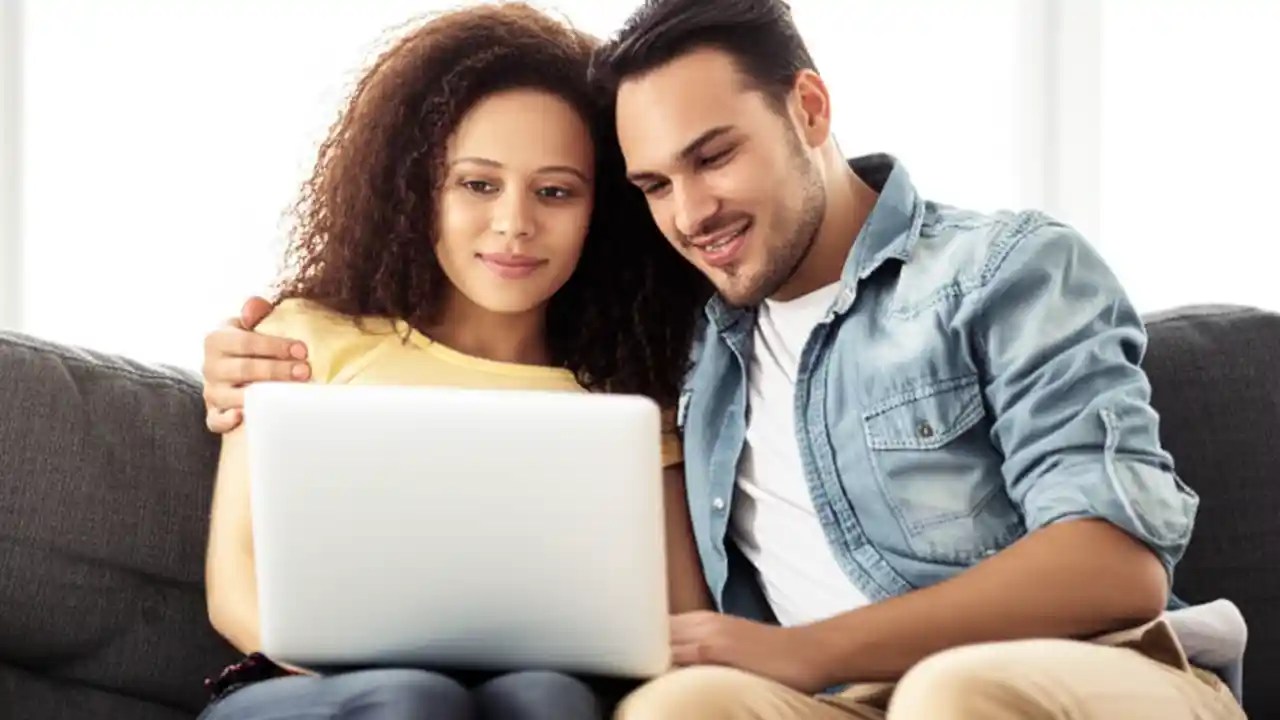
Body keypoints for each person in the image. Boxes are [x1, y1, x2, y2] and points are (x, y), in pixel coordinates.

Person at [204, 1, 1248, 719]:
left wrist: (805, 653)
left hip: (1075, 676)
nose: (690, 213)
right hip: (820, 703)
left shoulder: (1004, 270)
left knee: (949, 694)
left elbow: (1114, 561)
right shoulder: (682, 341)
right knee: (675, 706)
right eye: (653, 185)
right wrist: (237, 365)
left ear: (808, 109)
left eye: (713, 156)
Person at [196, 4, 709, 719]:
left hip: (541, 691)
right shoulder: (303, 339)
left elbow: (678, 621)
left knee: (550, 698)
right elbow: (235, 586)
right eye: (477, 183)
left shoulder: (625, 404)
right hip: (304, 690)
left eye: (555, 191)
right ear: (417, 189)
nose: (514, 224)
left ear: (603, 212)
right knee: (413, 698)